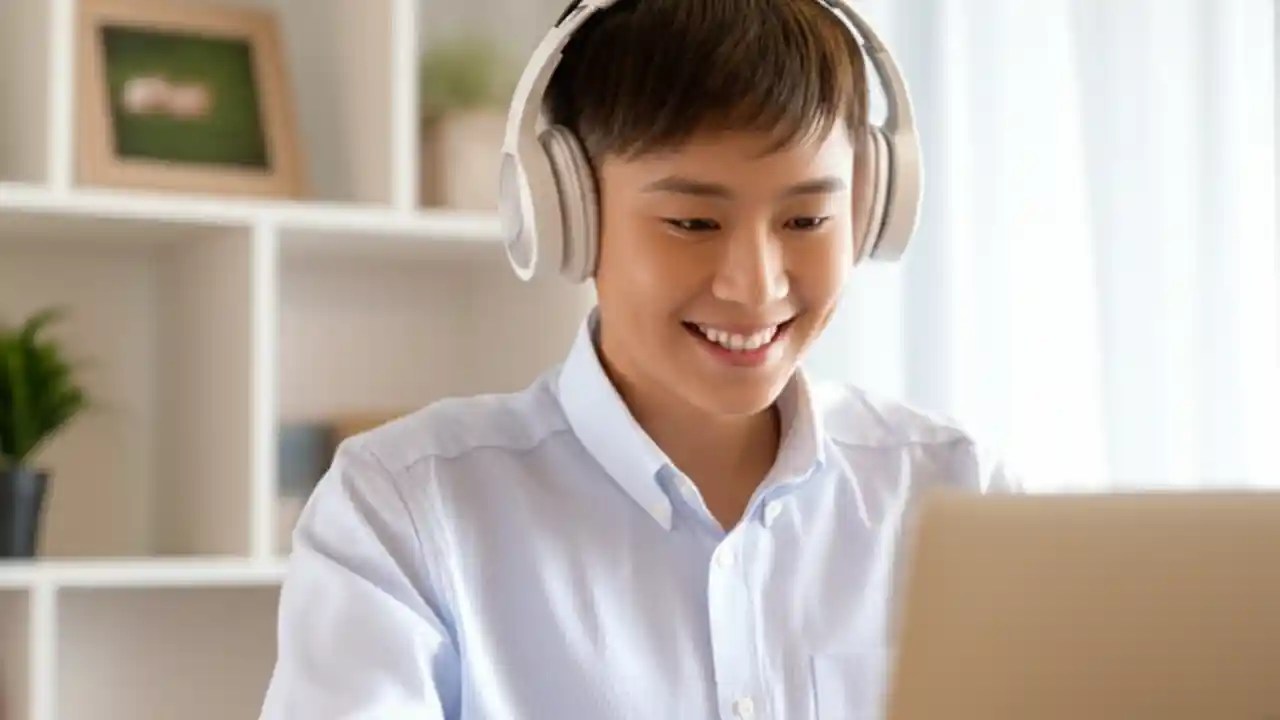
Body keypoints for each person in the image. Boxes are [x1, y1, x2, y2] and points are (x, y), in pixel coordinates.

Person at [260, 0, 1017, 717]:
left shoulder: (957, 493)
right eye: (692, 221)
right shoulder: (404, 513)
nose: (755, 284)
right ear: (565, 213)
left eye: (807, 218)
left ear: (869, 208)